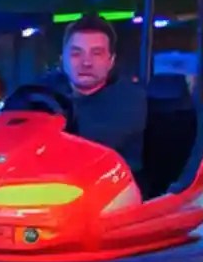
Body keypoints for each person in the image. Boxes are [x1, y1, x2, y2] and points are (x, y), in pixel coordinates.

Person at [50, 14, 147, 173]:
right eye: (76, 54)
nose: (86, 62)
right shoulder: (42, 95)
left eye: (96, 53)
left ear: (111, 61)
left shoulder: (131, 101)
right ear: (62, 60)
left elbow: (85, 145)